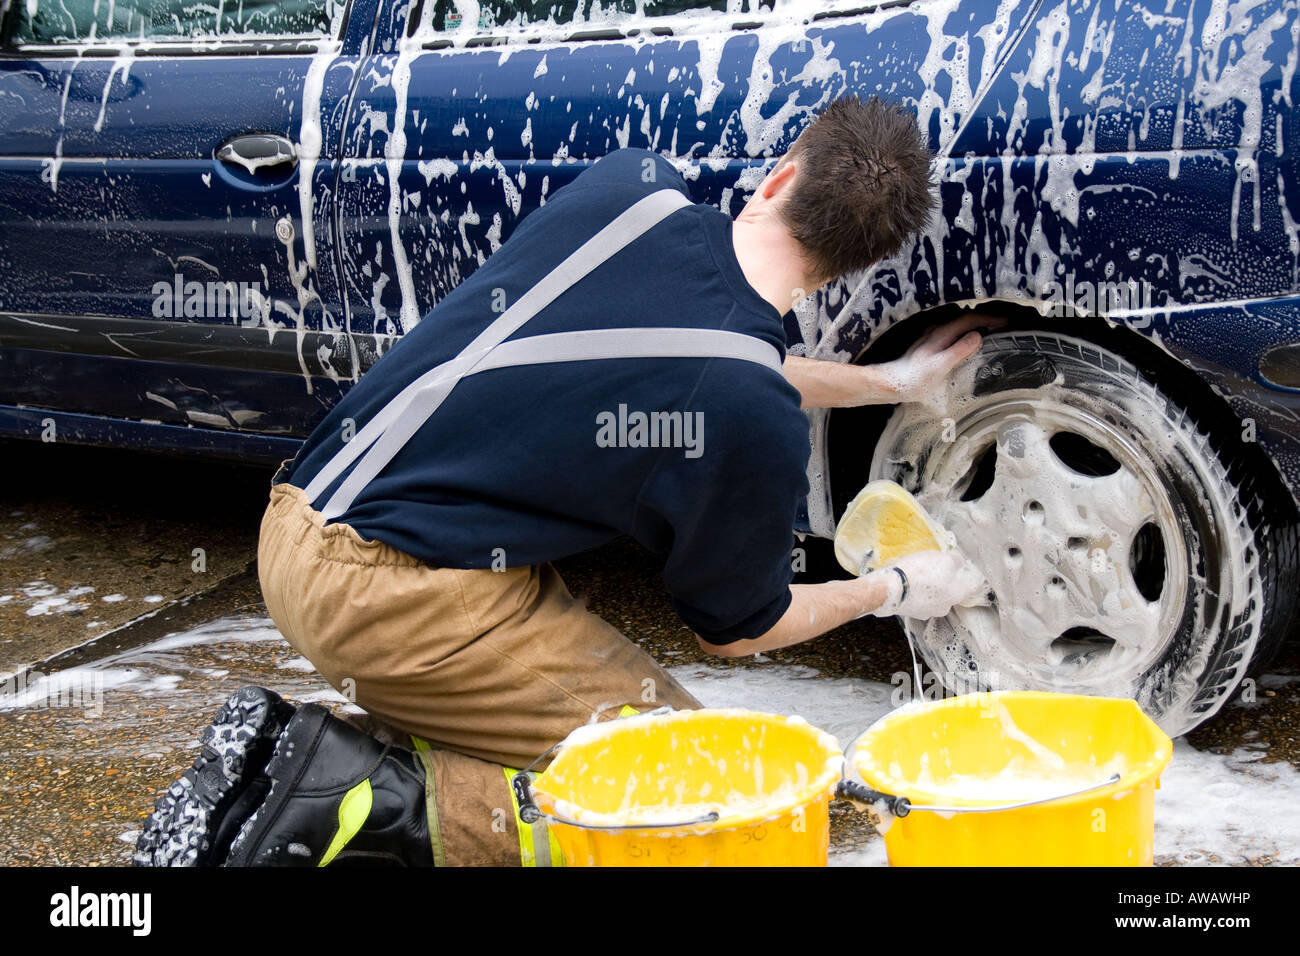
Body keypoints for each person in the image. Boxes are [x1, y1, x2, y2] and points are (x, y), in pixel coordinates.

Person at [135, 94, 989, 867]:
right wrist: (896, 586)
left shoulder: (631, 190)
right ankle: (321, 811)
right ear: (851, 266)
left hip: (298, 521)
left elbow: (698, 359)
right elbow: (740, 629)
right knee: (697, 797)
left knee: (611, 749)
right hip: (391, 597)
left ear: (780, 177)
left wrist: (885, 386)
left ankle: (330, 758)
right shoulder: (741, 406)